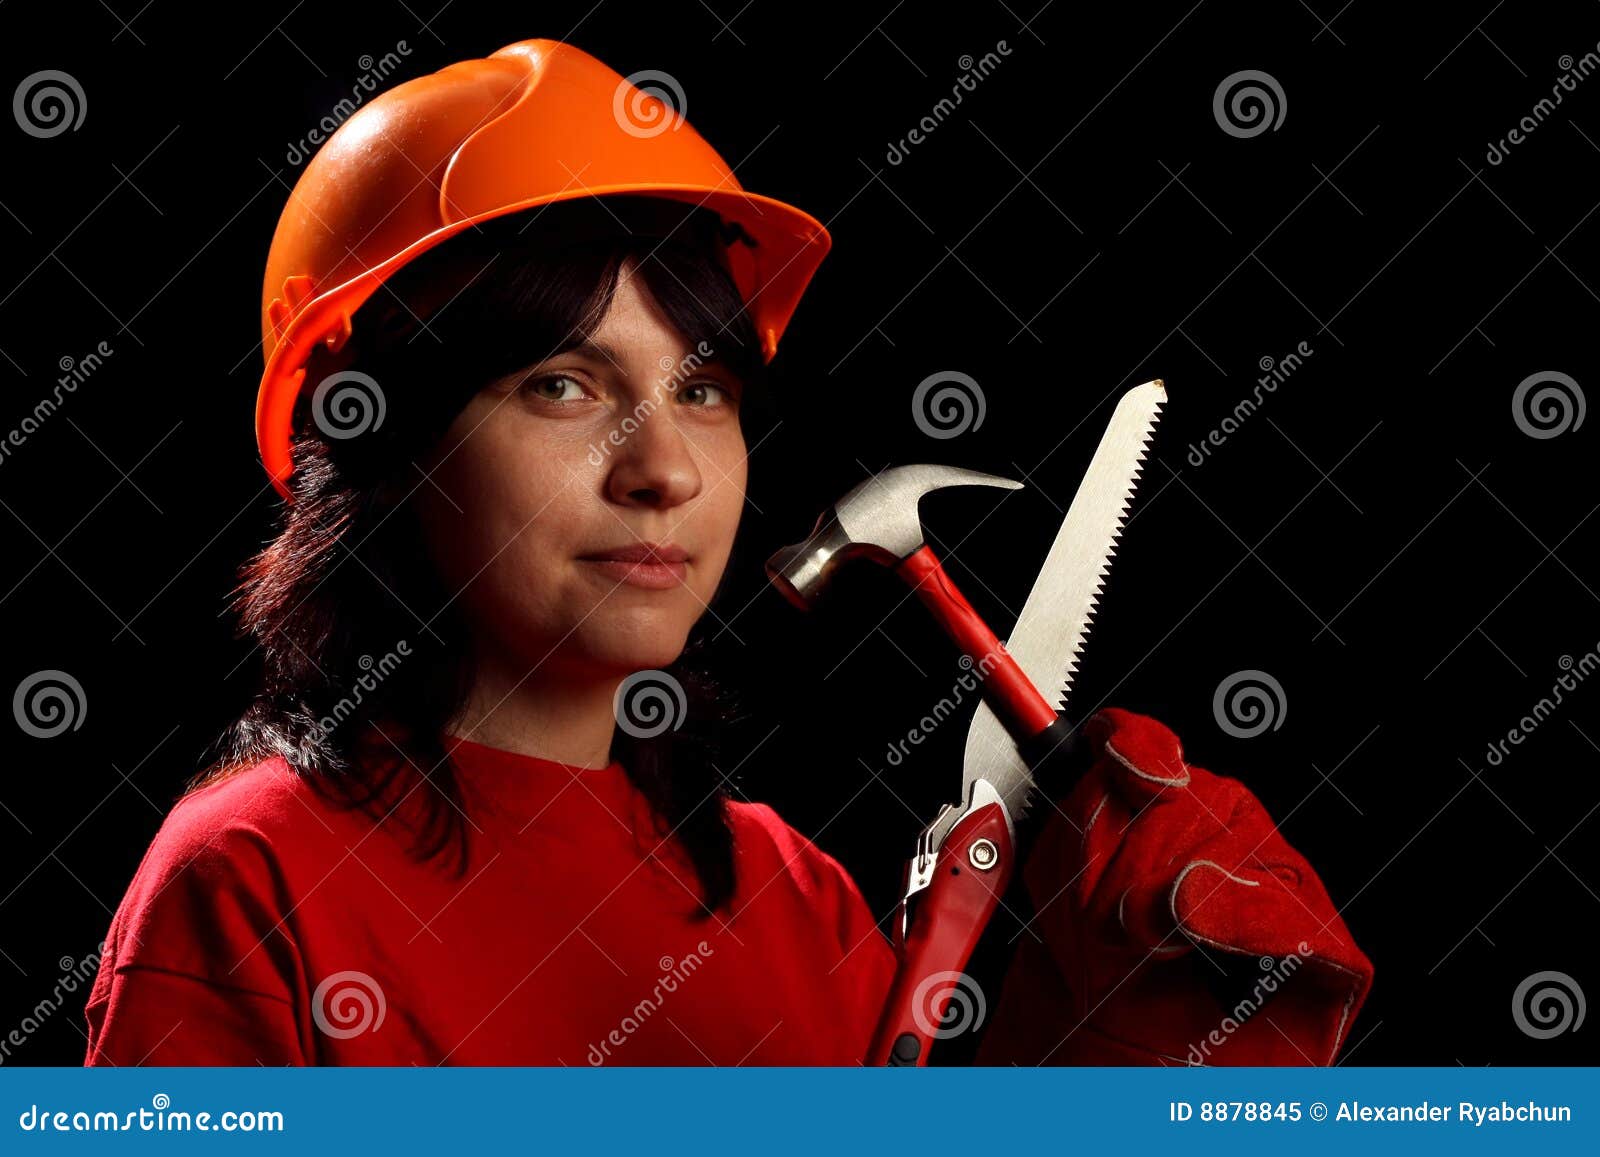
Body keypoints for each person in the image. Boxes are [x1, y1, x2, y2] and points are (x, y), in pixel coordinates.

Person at [82, 38, 1373, 1067]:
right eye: (561, 386)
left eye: (703, 391)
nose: (669, 469)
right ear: (377, 441)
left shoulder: (791, 897)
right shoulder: (246, 883)